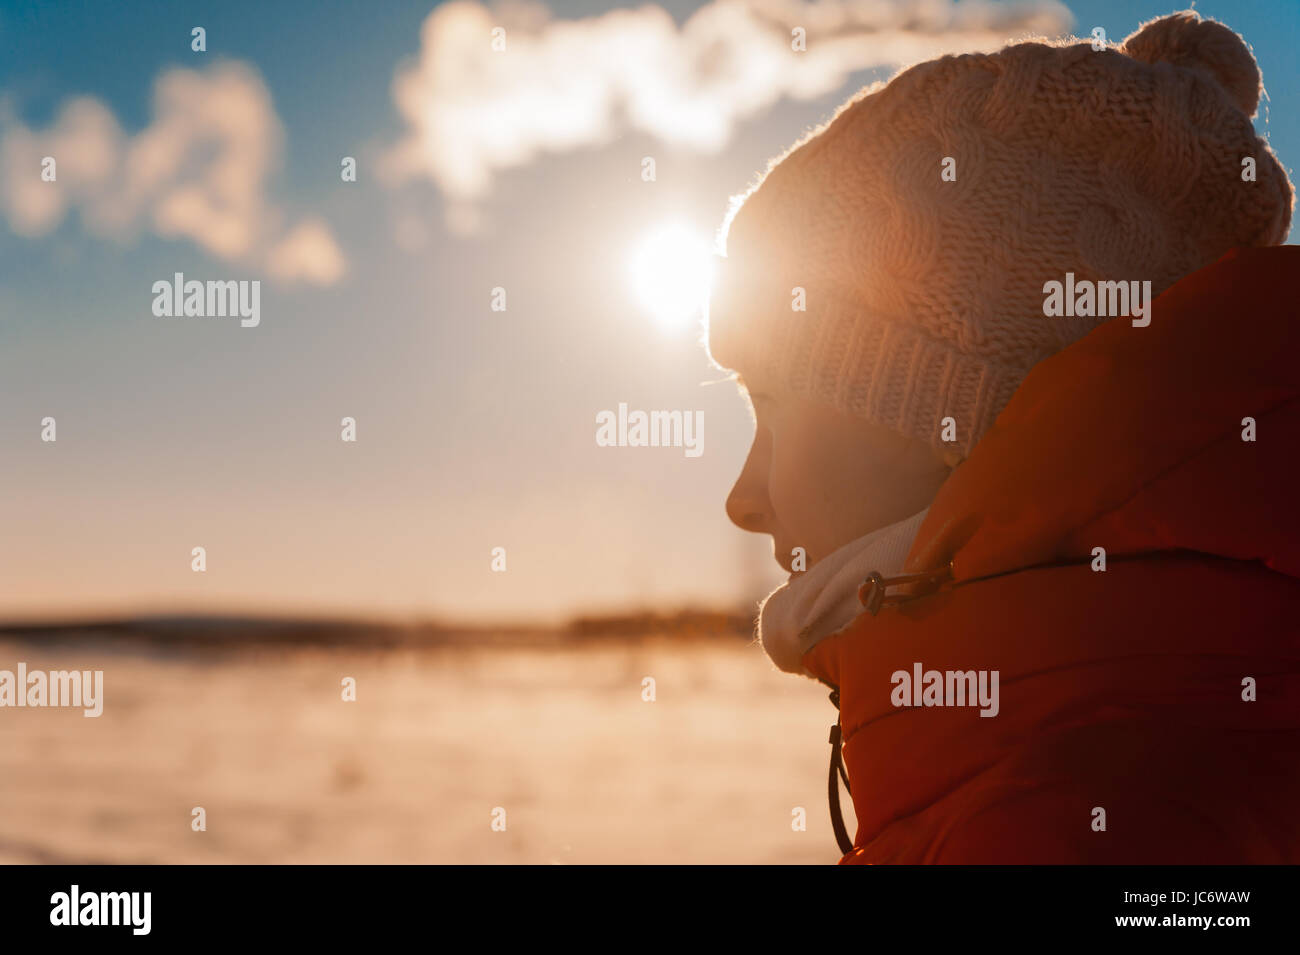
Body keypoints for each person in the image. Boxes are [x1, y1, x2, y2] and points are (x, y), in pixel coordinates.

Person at [705, 10, 1300, 863]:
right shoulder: (1104, 749)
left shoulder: (1071, 825)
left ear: (954, 413)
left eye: (773, 408)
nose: (742, 499)